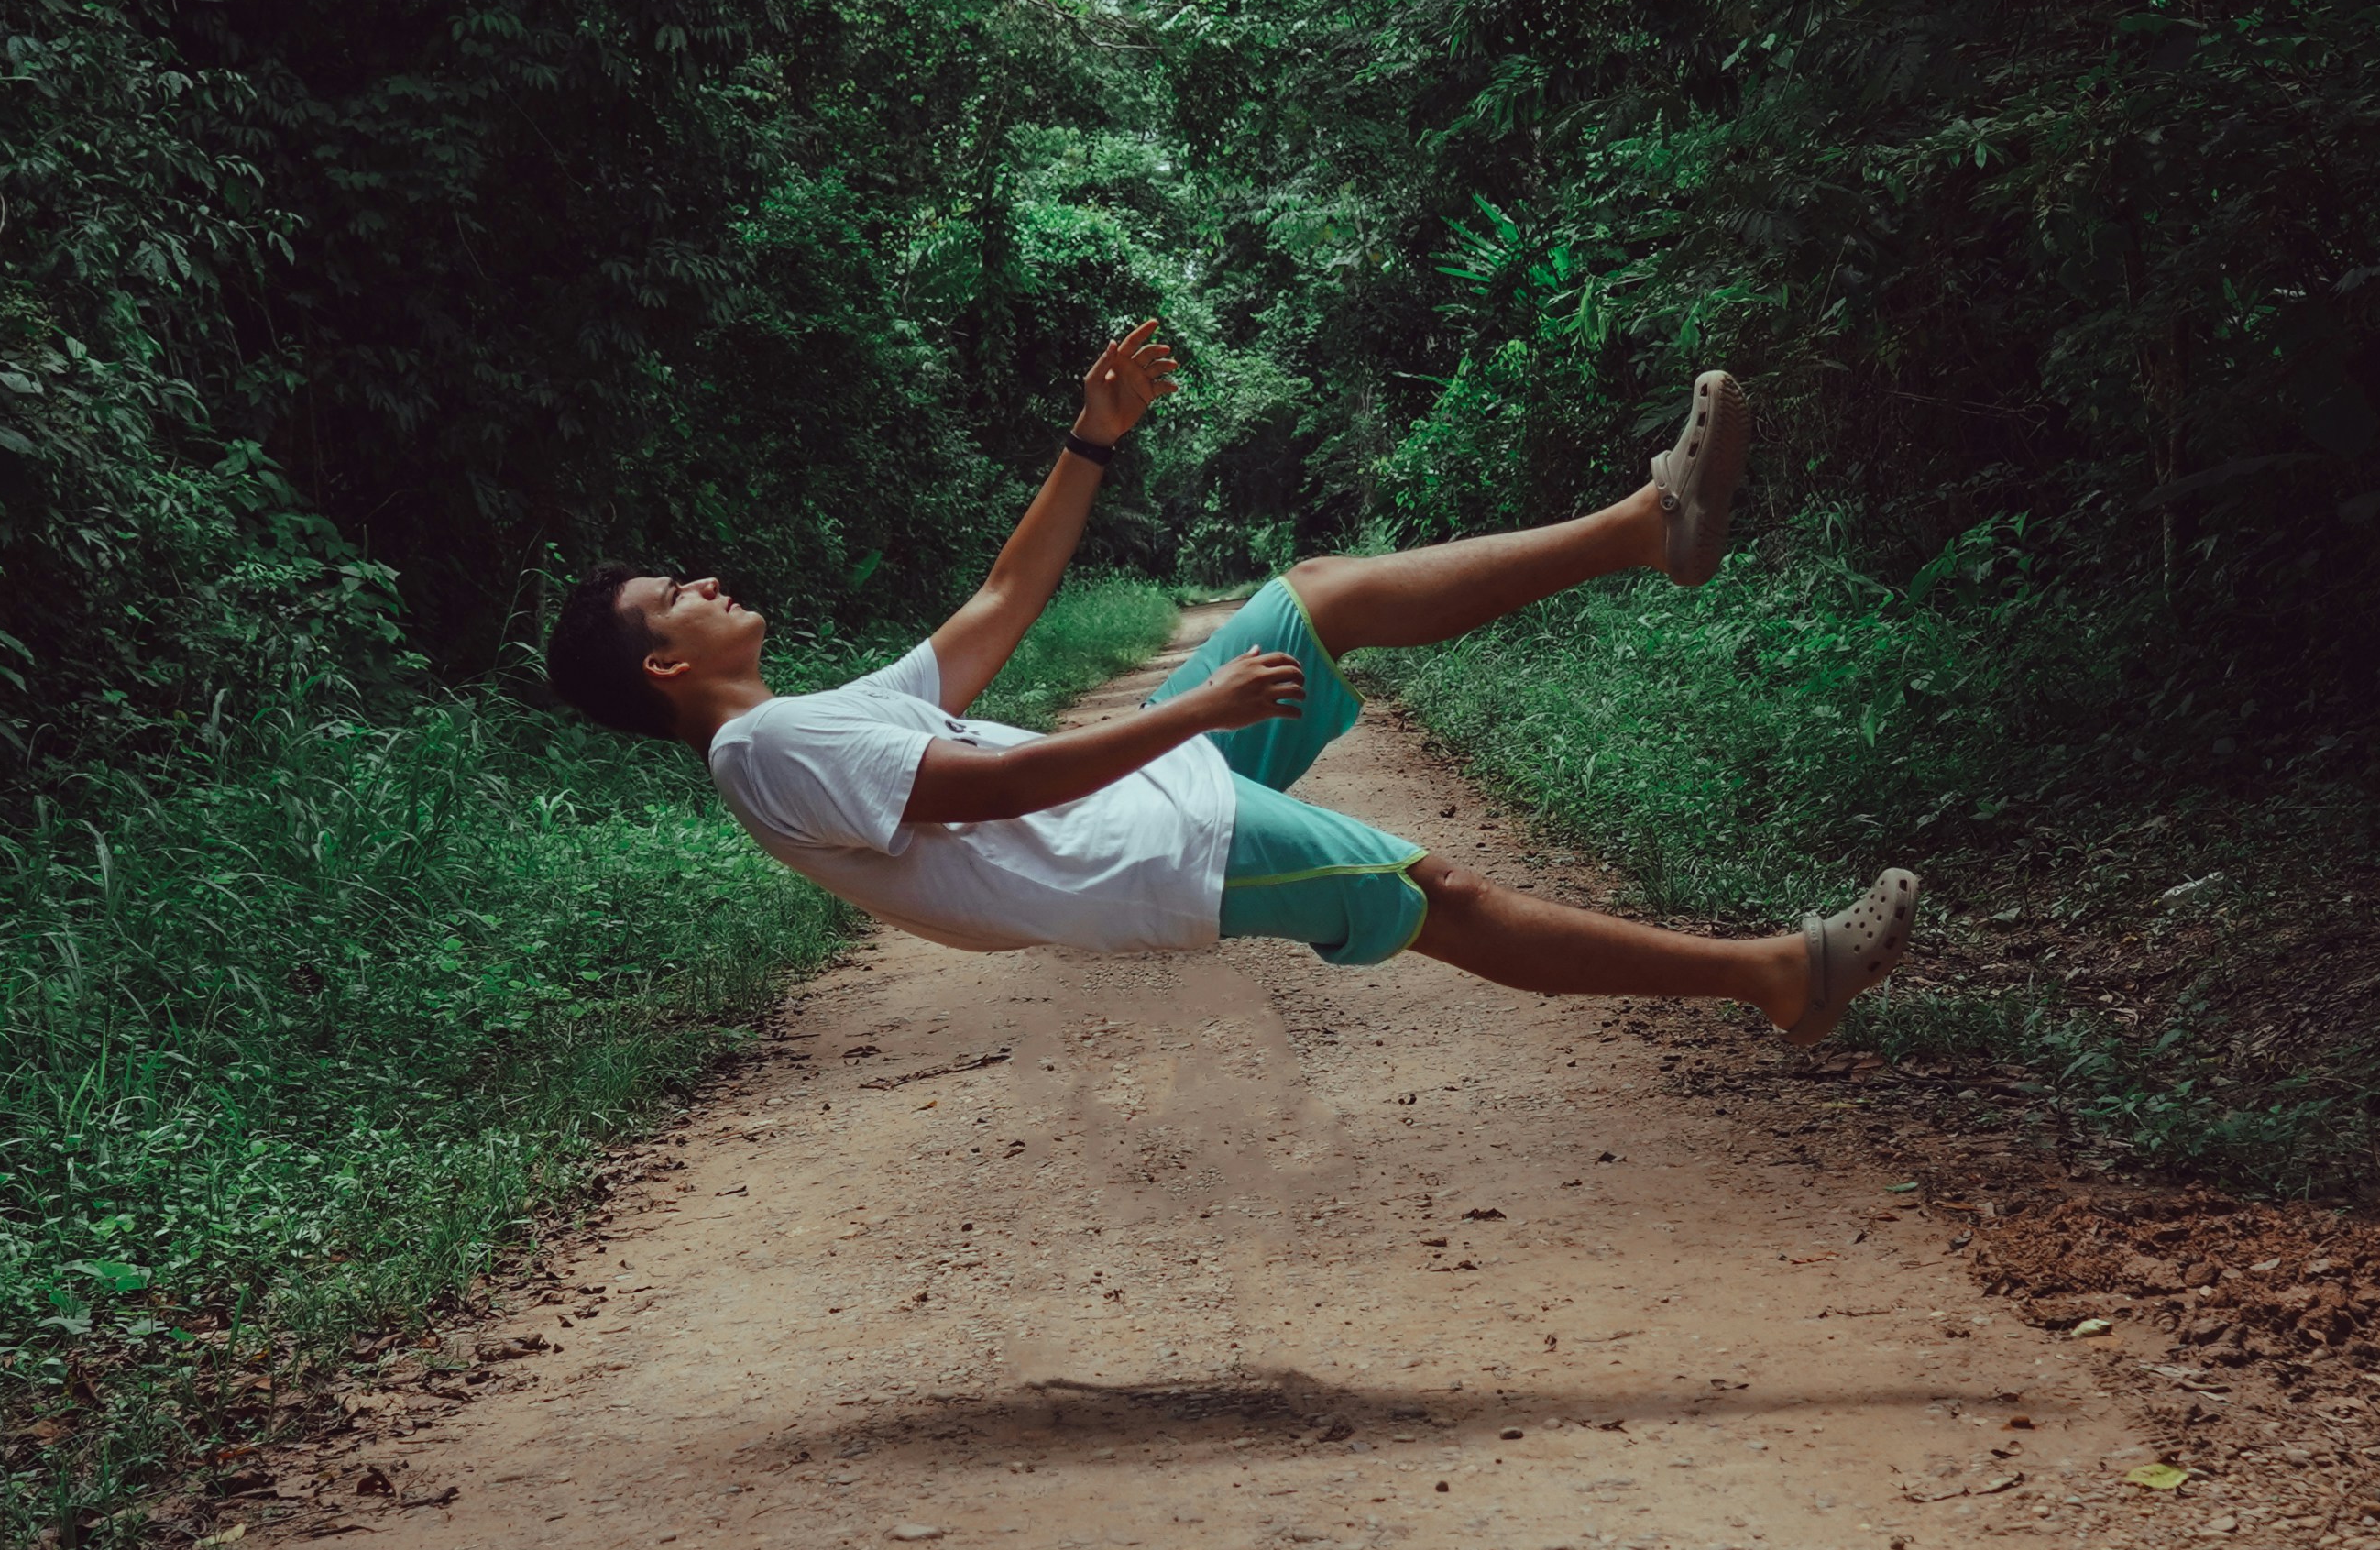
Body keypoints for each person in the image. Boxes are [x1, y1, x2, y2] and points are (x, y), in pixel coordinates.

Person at [543, 323, 1922, 1039]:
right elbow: (990, 789)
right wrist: (1197, 711)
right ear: (665, 661)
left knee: (1313, 595)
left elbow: (1001, 604)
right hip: (1155, 852)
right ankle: (1774, 978)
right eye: (680, 596)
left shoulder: (805, 721)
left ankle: (1646, 527)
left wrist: (1091, 442)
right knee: (1432, 895)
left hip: (1150, 788)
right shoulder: (761, 754)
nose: (708, 581)